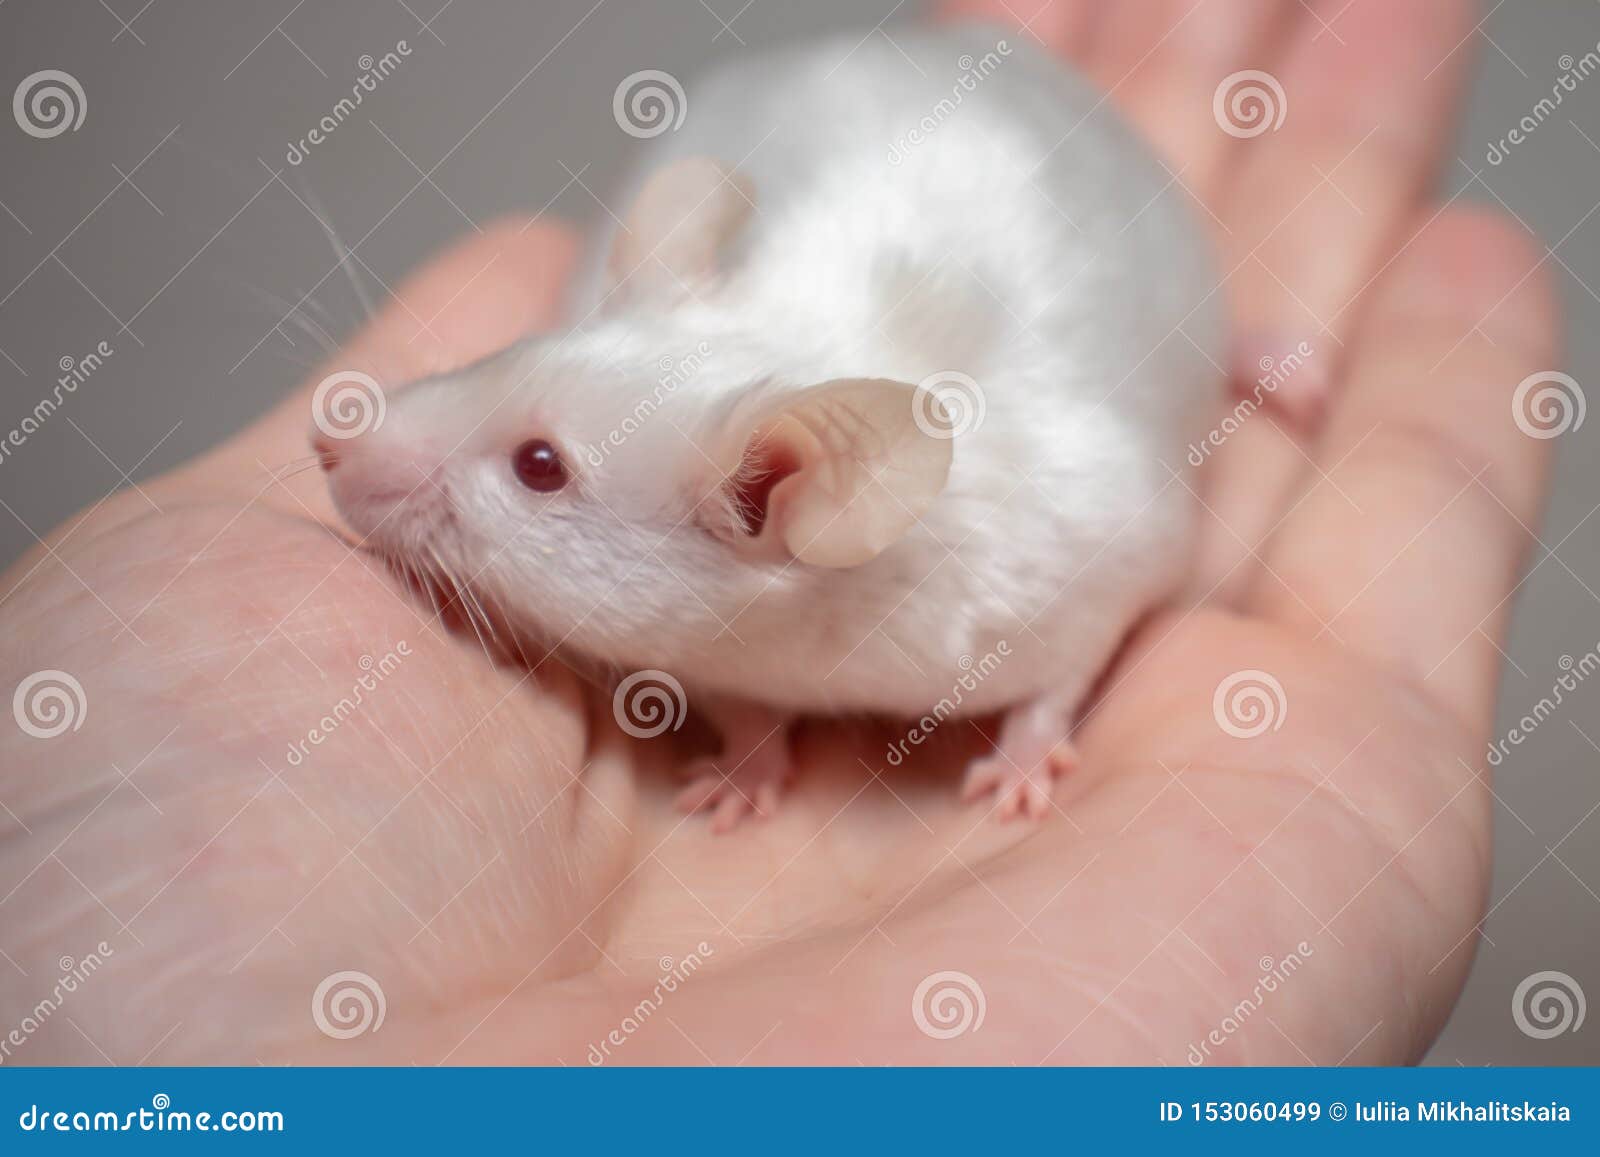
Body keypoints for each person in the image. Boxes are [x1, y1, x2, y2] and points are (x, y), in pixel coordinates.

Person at [0, 0, 1562, 1063]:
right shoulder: (734, 509)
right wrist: (749, 727)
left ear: (788, 503)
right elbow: (704, 622)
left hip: (1064, 226)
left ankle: (1213, 335)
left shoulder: (986, 561)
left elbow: (1127, 532)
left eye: (534, 468)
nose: (374, 444)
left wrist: (1039, 718)